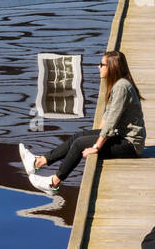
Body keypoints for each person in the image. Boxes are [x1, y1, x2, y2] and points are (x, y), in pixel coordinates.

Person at [19, 50, 144, 192]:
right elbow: (107, 116)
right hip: (120, 137)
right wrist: (93, 137)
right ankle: (38, 162)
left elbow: (111, 123)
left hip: (130, 145)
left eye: (102, 64)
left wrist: (96, 147)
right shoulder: (119, 84)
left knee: (79, 144)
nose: (98, 67)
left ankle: (53, 183)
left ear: (112, 67)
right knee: (79, 136)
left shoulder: (121, 87)